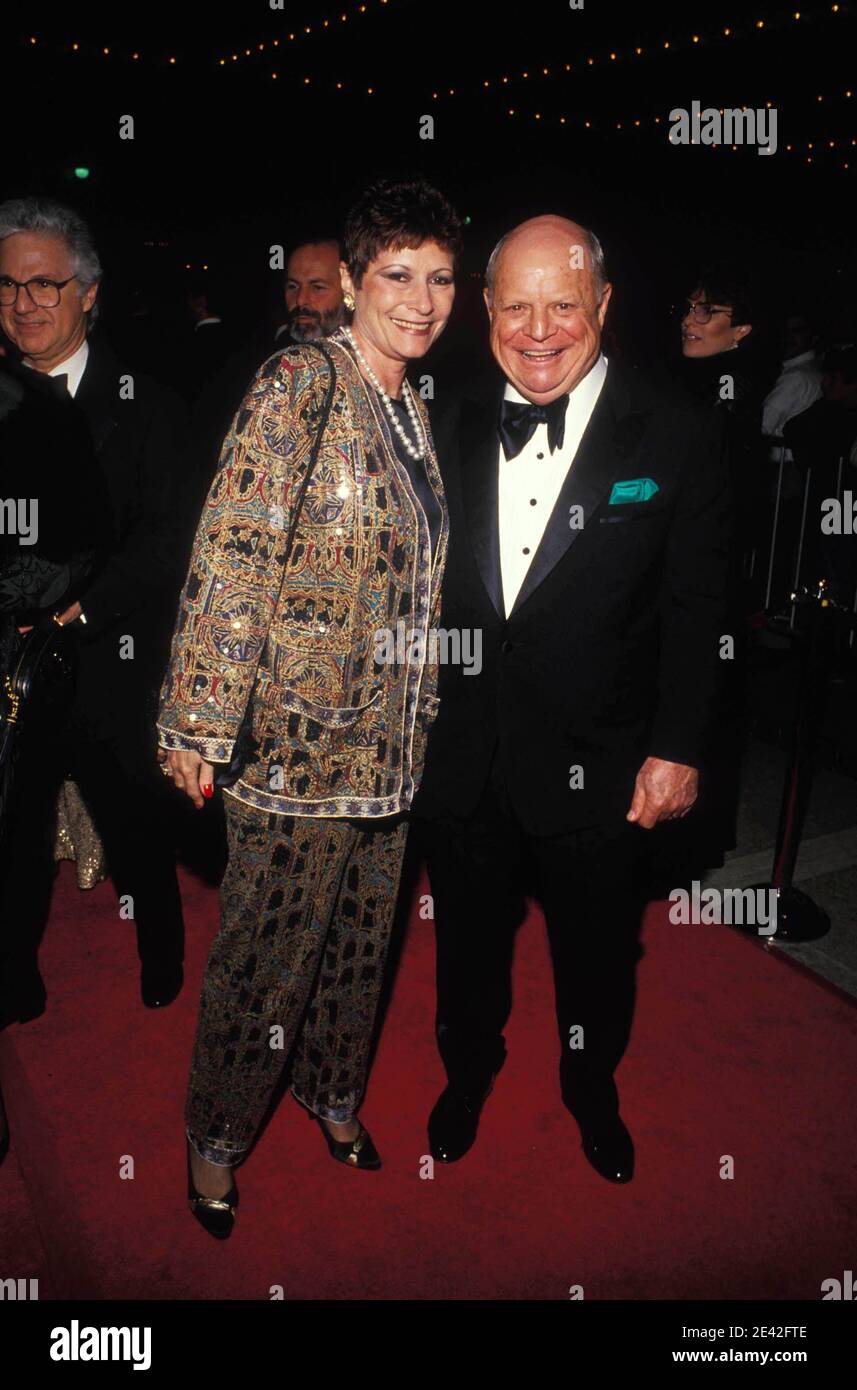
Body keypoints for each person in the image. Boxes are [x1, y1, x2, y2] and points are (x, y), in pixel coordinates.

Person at [158, 175, 460, 1238]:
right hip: (293, 745)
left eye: (438, 277)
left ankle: (333, 1099)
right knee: (264, 953)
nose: (420, 300)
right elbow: (234, 546)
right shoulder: (301, 382)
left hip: (388, 750)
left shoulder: (414, 406)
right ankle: (215, 1138)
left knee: (359, 947)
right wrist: (197, 715)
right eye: (397, 275)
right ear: (354, 278)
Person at [413, 215, 732, 1183]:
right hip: (464, 755)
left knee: (595, 955)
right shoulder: (442, 416)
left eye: (562, 303)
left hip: (604, 760)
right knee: (465, 943)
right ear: (484, 309)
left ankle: (589, 1087)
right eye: (514, 304)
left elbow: (697, 608)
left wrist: (676, 748)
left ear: (601, 304)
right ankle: (466, 1071)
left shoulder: (677, 430)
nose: (538, 328)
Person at [0, 197, 190, 1018]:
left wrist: (74, 613)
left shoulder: (149, 407)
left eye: (46, 283)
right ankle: (12, 977)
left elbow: (165, 547)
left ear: (89, 293)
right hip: (9, 667)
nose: (24, 304)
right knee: (11, 837)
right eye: (6, 286)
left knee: (137, 824)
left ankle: (163, 955)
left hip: (110, 661)